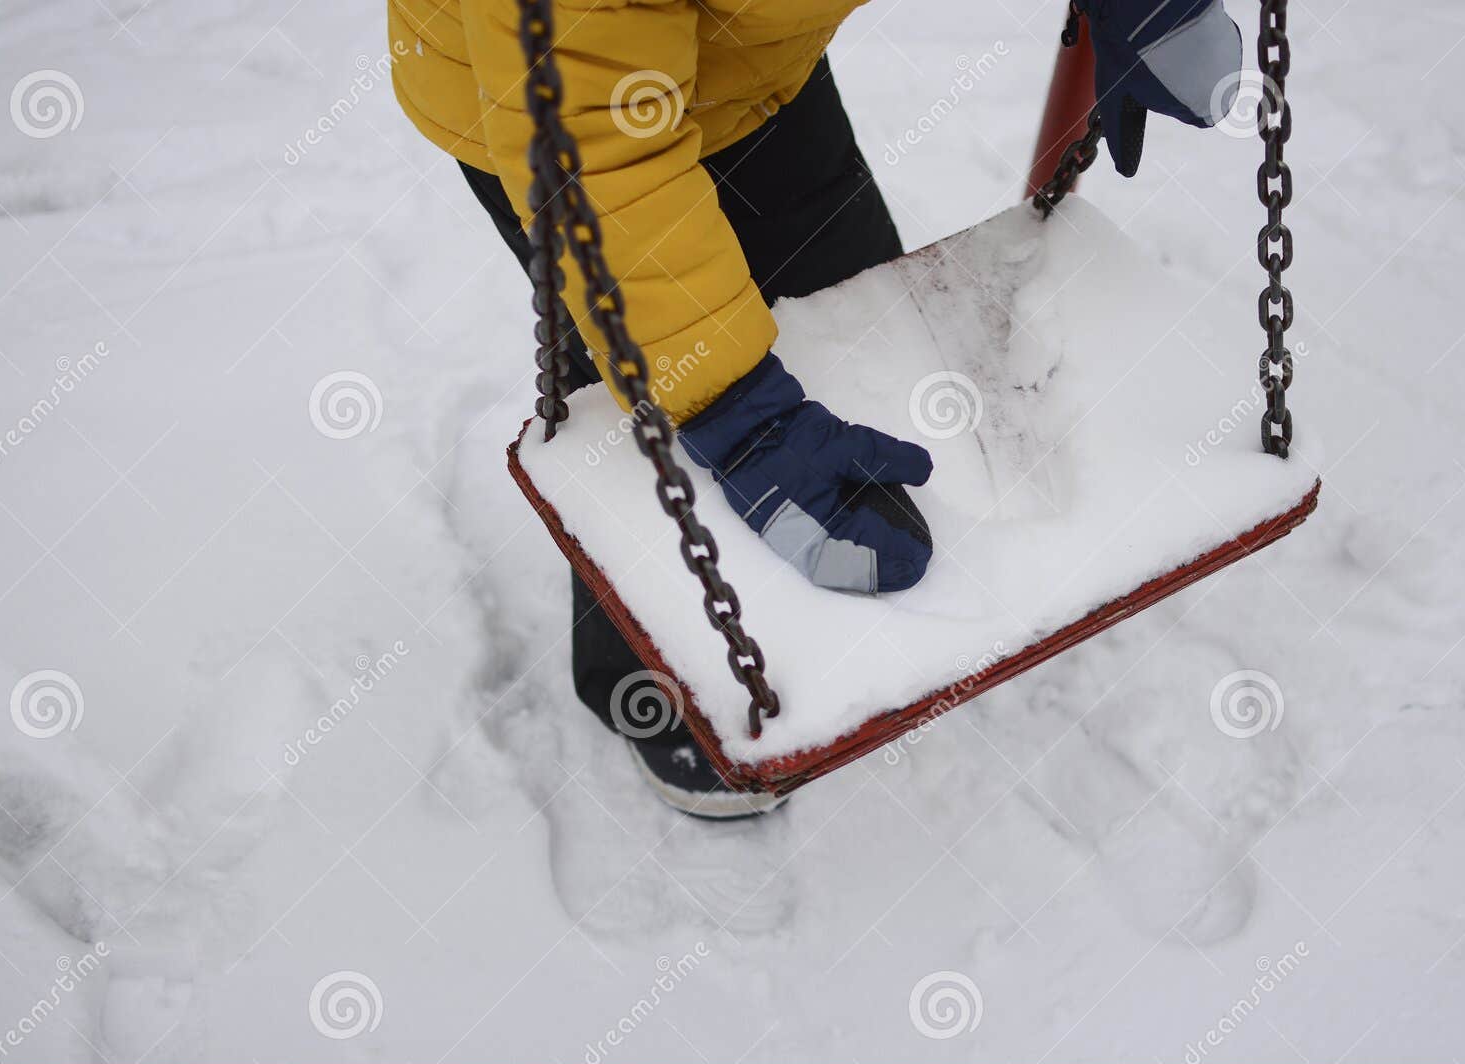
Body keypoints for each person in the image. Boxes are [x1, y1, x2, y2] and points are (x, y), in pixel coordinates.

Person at [387, 0, 1241, 817]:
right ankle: (659, 690)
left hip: (746, 54)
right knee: (653, 389)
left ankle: (861, 631)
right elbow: (590, 136)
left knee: (846, 308)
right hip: (552, 92)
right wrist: (734, 411)